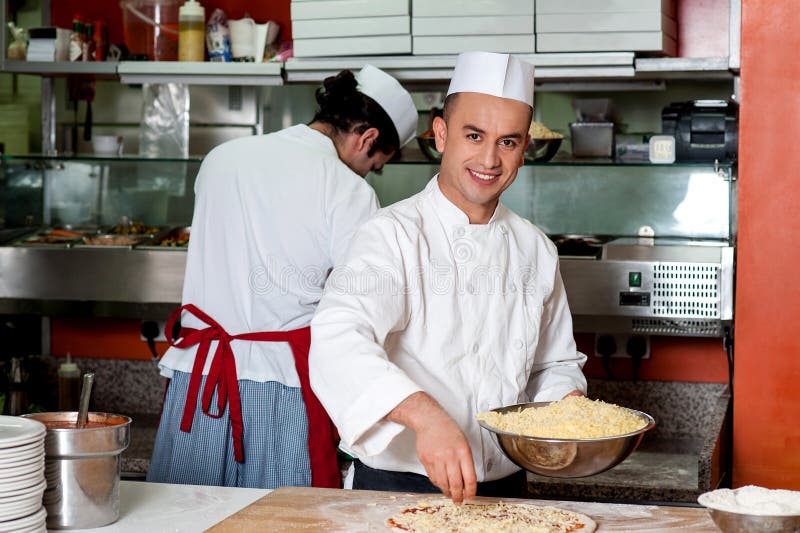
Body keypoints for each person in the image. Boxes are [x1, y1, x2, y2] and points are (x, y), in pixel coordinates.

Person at [309, 51, 588, 504]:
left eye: (509, 142)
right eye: (474, 135)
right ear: (441, 133)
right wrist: (424, 415)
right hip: (398, 491)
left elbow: (552, 364)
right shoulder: (391, 235)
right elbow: (337, 339)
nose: (489, 159)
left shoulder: (535, 249)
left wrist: (566, 406)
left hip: (508, 492)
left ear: (524, 149)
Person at [147, 65, 419, 489]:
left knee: (183, 517)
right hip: (282, 390)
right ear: (366, 138)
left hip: (197, 381)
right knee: (279, 520)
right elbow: (361, 312)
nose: (368, 174)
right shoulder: (349, 192)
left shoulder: (222, 157)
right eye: (375, 164)